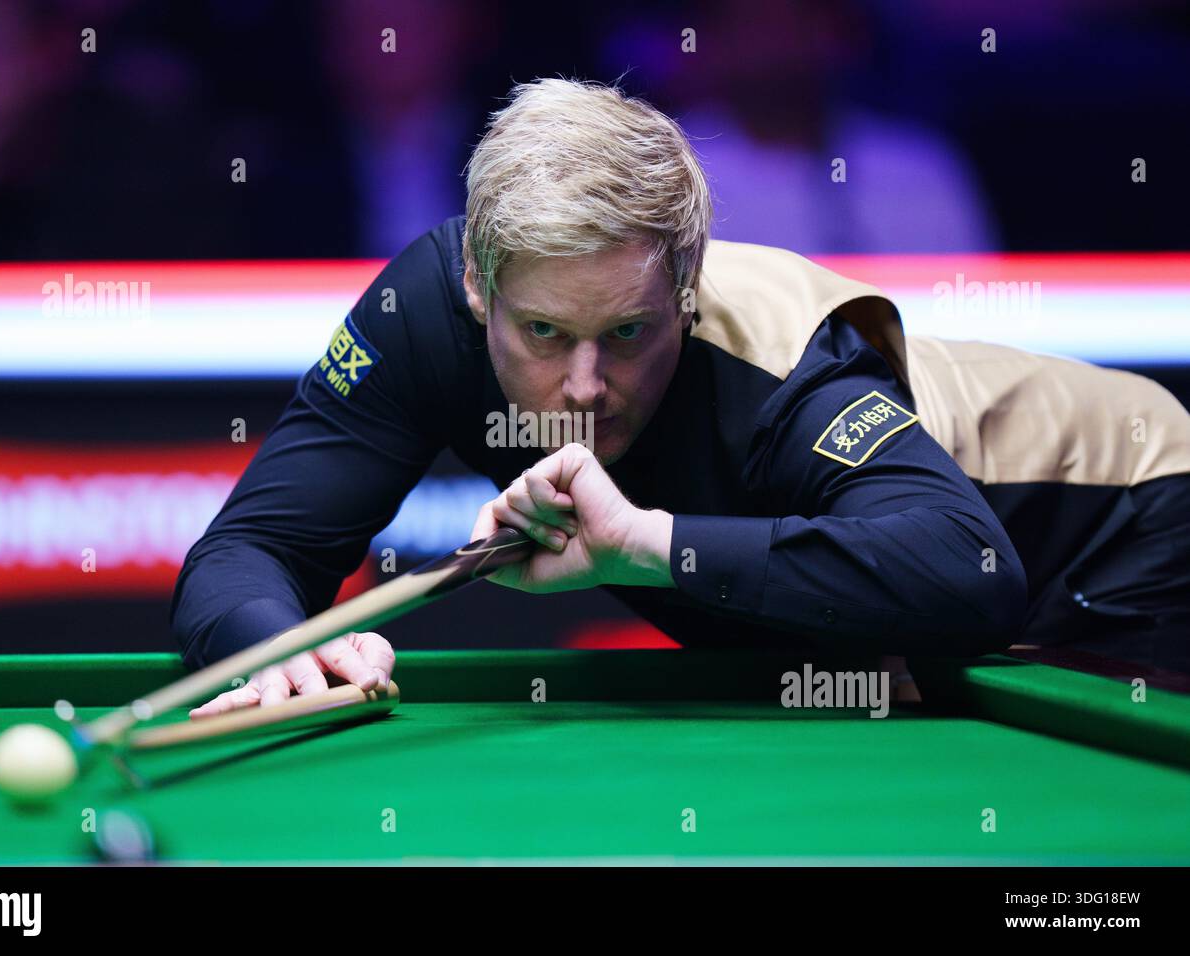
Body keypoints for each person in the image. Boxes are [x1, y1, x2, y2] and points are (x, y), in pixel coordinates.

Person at [173, 79, 1190, 715]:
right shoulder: (423, 317)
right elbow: (245, 549)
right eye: (541, 334)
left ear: (687, 290)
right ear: (479, 284)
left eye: (626, 333)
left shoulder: (780, 364)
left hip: (1132, 519)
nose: (582, 384)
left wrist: (648, 544)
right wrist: (277, 645)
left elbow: (969, 571)